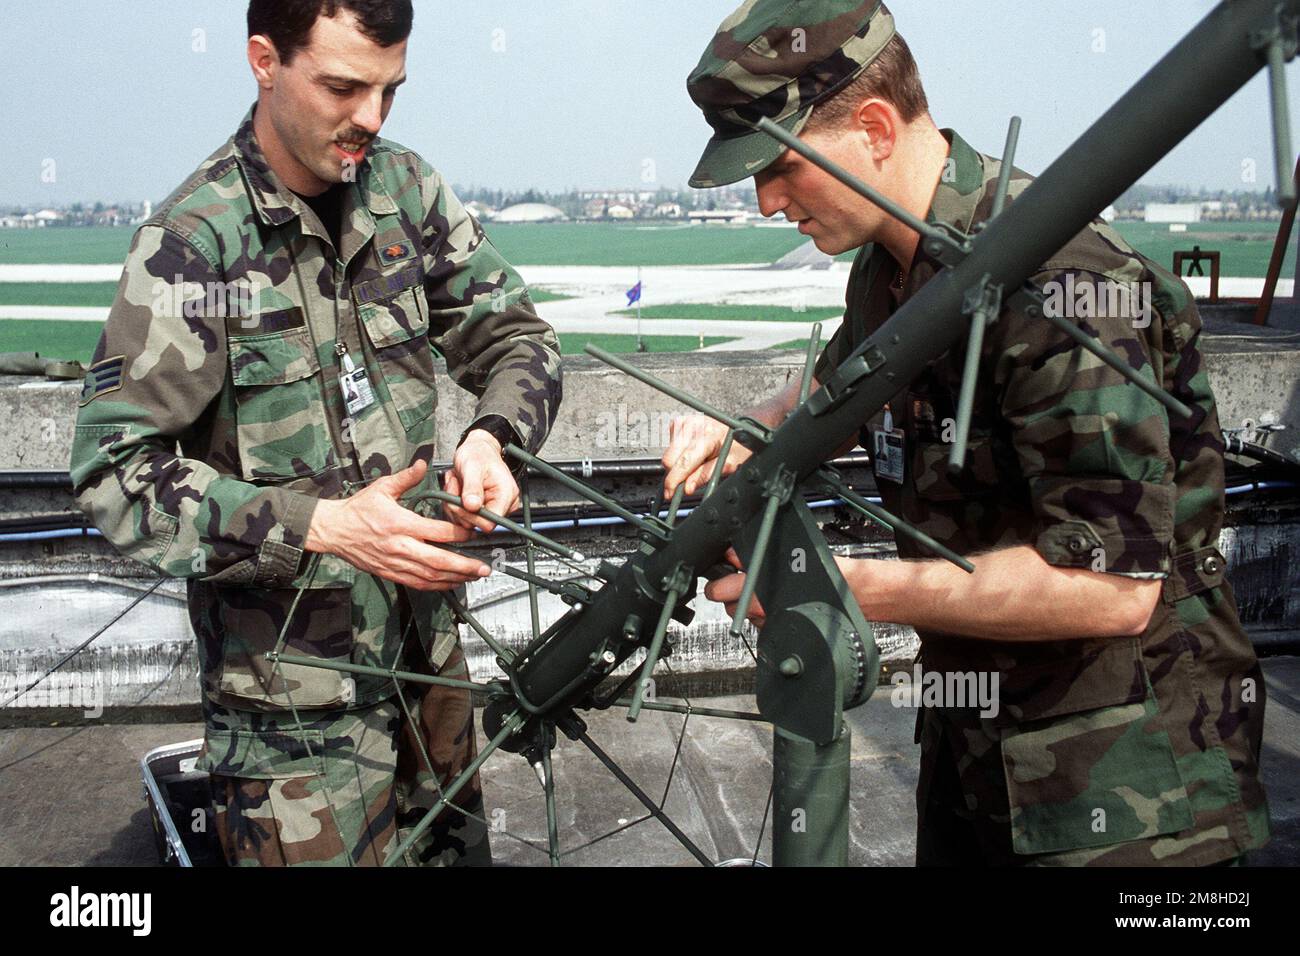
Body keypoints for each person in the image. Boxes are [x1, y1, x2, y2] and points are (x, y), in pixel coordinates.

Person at [666, 0, 1269, 865]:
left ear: (873, 127)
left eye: (778, 168)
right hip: (978, 750)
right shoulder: (896, 259)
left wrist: (844, 587)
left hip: (1126, 800)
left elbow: (1111, 586)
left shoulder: (1061, 280)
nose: (765, 203)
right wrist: (747, 430)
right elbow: (848, 381)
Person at [70, 0, 562, 866]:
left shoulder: (404, 193)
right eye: (343, 86)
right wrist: (320, 527)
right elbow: (116, 474)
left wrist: (491, 436)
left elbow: (518, 336)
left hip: (429, 670)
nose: (369, 118)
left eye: (389, 90)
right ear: (264, 60)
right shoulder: (197, 249)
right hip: (291, 725)